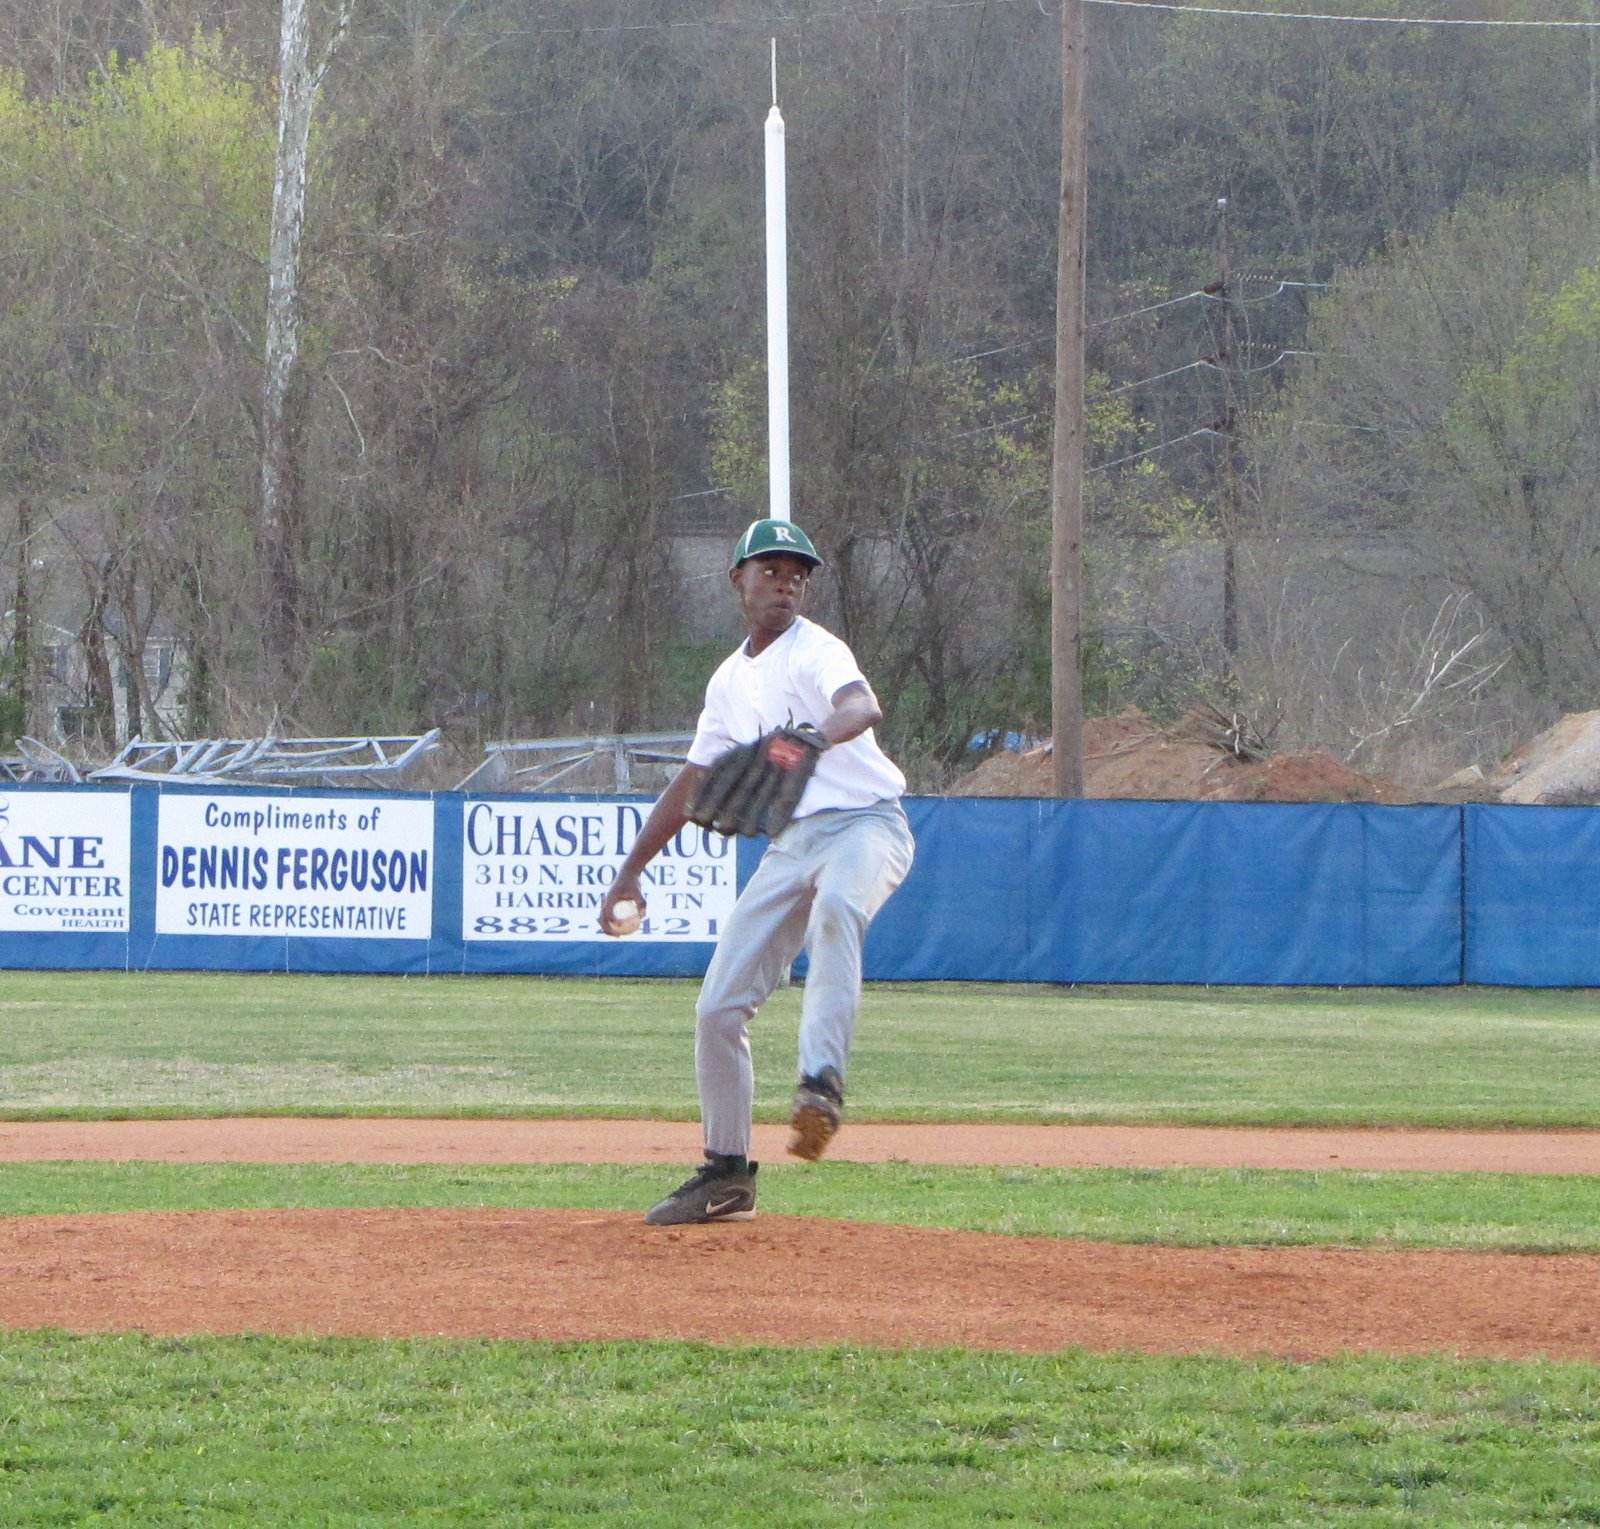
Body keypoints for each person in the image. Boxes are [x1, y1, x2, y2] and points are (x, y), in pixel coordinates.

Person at [600, 517, 915, 1226]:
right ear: (737, 579)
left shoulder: (816, 649)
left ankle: (820, 1085)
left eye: (798, 572)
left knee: (839, 908)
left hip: (867, 822)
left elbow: (862, 704)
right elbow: (691, 785)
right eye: (770, 568)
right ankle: (727, 1171)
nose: (786, 581)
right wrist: (630, 872)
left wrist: (813, 735)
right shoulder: (729, 680)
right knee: (717, 1008)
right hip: (792, 842)